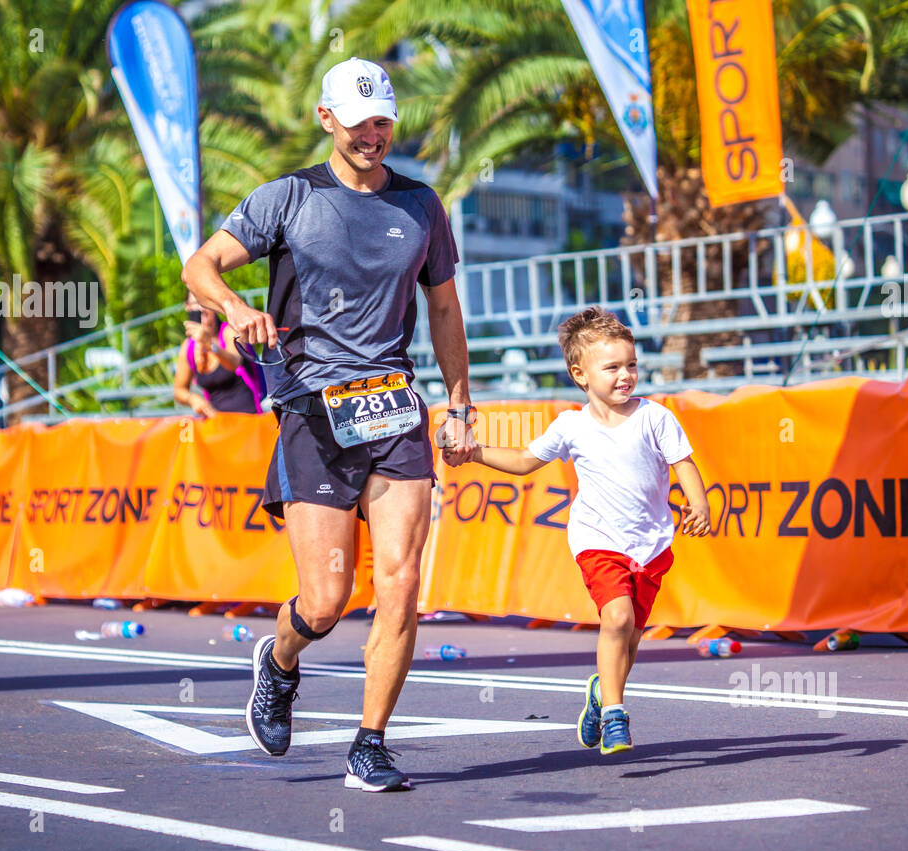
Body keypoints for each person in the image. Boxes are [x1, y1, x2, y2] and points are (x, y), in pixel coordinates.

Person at [182, 57, 476, 792]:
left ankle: (370, 741)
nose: (373, 134)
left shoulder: (421, 206)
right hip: (313, 407)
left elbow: (443, 308)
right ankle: (279, 662)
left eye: (383, 121)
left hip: (395, 406)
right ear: (327, 120)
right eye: (358, 122)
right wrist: (238, 308)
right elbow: (201, 265)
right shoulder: (289, 197)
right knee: (325, 599)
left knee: (404, 582)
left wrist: (460, 403)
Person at [454, 307, 710, 754]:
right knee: (617, 618)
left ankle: (599, 695)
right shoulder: (571, 425)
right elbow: (523, 461)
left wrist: (700, 502)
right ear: (581, 374)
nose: (625, 375)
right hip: (597, 540)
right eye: (612, 368)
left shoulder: (656, 417)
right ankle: (615, 714)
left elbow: (683, 464)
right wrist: (474, 453)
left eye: (631, 364)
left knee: (628, 640)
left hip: (650, 545)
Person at [171, 291, 264, 417]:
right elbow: (179, 390)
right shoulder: (188, 348)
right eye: (195, 304)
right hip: (217, 422)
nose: (200, 309)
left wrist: (210, 345)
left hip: (250, 418)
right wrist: (192, 399)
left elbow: (234, 362)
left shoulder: (231, 332)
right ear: (187, 307)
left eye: (203, 303)